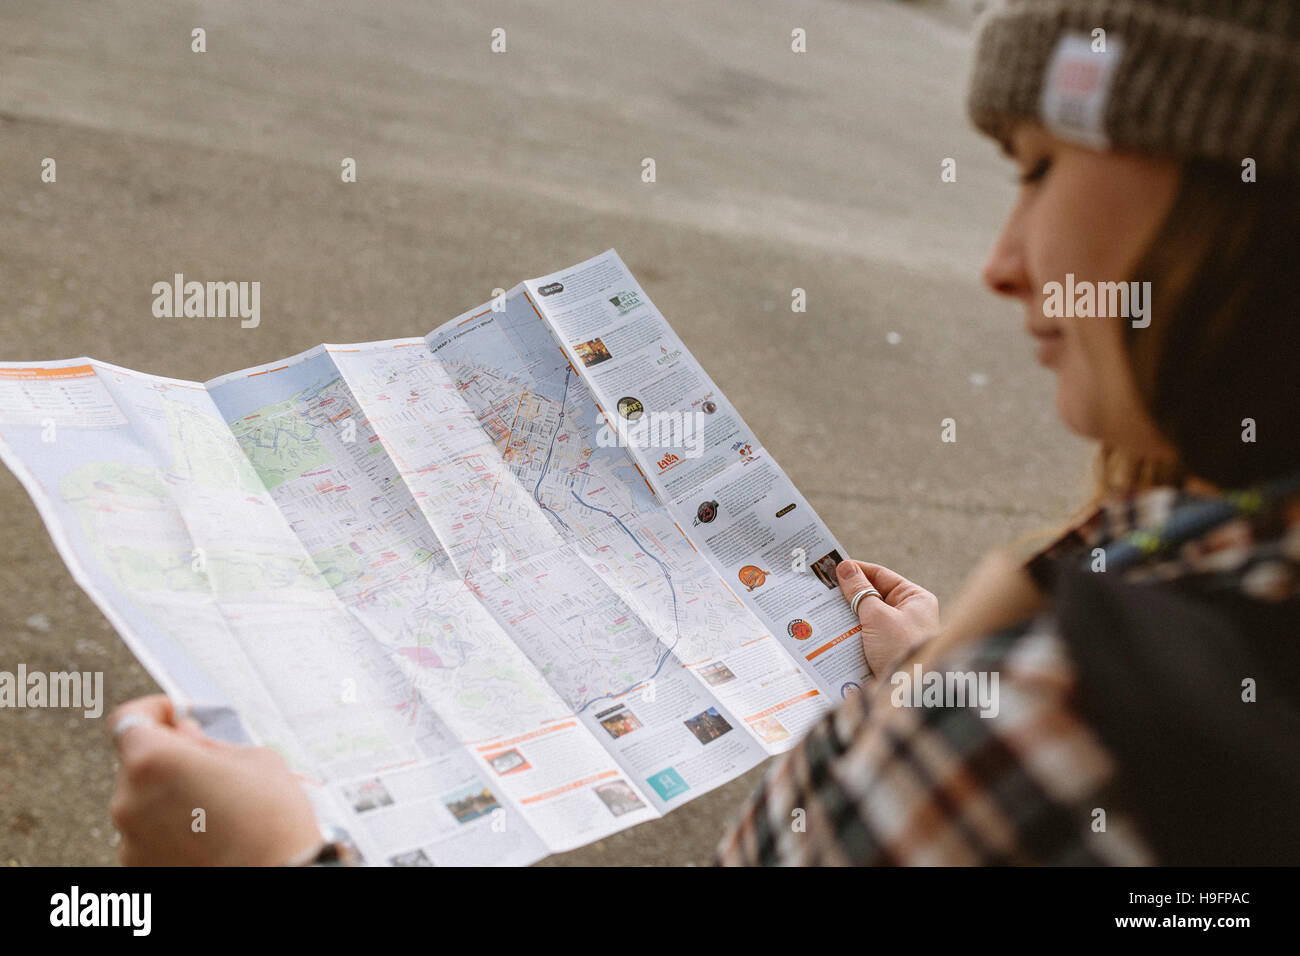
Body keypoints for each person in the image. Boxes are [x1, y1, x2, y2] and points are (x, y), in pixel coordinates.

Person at [107, 0, 1300, 865]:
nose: (1001, 260)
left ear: (1235, 183)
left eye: (1039, 168)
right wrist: (944, 674)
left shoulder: (1054, 720)